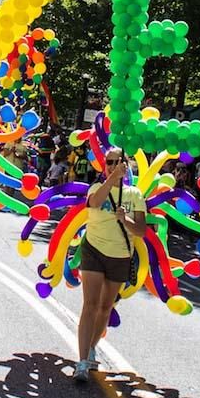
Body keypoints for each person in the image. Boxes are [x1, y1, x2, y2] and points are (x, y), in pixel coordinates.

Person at [73, 148, 146, 383]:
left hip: (121, 255)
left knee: (105, 307)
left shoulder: (135, 194)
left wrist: (126, 219)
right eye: (108, 162)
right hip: (93, 250)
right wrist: (112, 179)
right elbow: (94, 203)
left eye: (117, 162)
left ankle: (92, 346)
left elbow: (141, 231)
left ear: (126, 165)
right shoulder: (96, 187)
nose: (112, 165)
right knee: (90, 304)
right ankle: (82, 361)